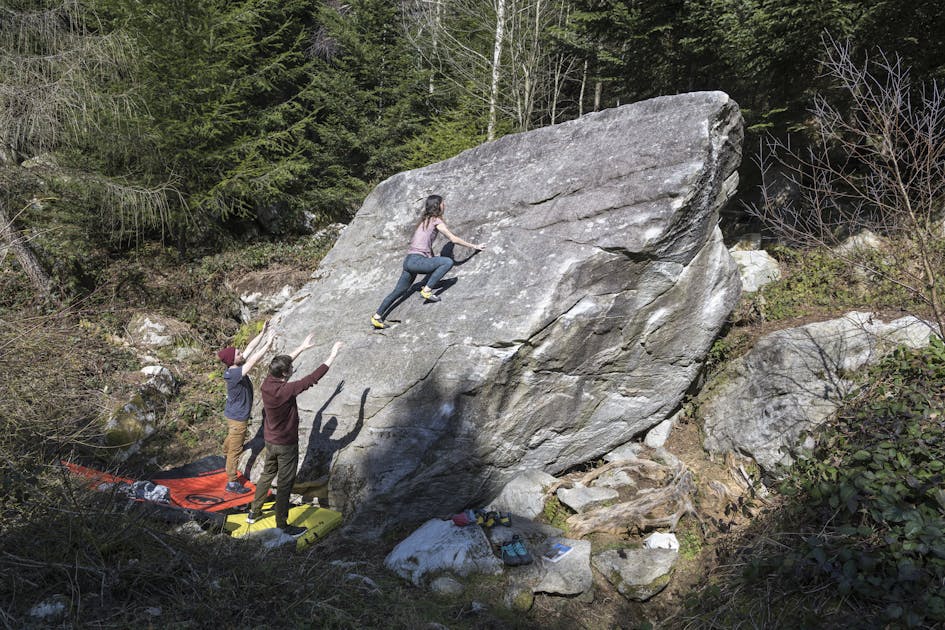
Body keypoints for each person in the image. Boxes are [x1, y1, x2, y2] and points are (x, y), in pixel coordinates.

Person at [246, 337, 343, 536]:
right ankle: (282, 524)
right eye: (290, 368)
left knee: (266, 475)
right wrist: (332, 355)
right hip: (285, 445)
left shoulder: (267, 384)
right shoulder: (286, 390)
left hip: (270, 441)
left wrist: (302, 347)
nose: (292, 369)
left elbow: (282, 363)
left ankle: (253, 513)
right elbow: (312, 378)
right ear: (284, 373)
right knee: (285, 483)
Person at [370, 194, 485, 329]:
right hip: (417, 260)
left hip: (409, 261)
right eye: (443, 203)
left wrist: (430, 257)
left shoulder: (424, 221)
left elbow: (425, 245)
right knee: (447, 262)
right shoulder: (436, 220)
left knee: (398, 291)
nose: (445, 205)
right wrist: (474, 246)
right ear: (438, 205)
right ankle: (427, 290)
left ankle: (377, 317)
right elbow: (453, 239)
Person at [218, 322, 273, 494]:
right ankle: (232, 482)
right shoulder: (235, 374)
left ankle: (224, 453)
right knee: (236, 450)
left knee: (231, 440)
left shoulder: (235, 367)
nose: (242, 353)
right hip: (238, 419)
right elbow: (255, 359)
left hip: (232, 415)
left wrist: (262, 332)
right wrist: (268, 344)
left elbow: (250, 348)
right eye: (239, 353)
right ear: (233, 360)